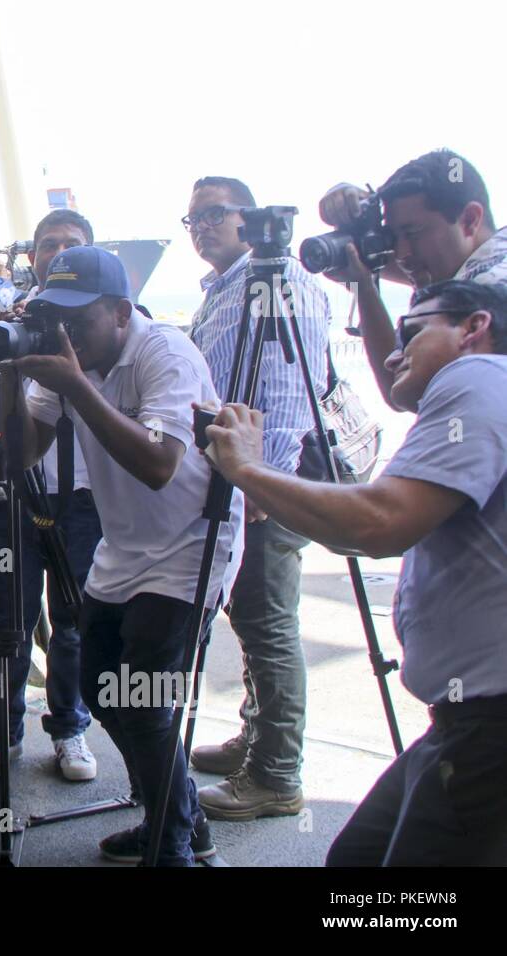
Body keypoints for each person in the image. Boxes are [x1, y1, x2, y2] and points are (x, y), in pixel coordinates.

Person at [202, 278, 507, 866]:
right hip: (461, 724)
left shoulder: (479, 376)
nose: (393, 354)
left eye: (411, 332)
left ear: (474, 327)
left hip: (488, 728)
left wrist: (246, 468)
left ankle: (273, 770)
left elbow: (378, 524)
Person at [6, 245, 245, 865]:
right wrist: (11, 376)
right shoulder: (72, 359)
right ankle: (179, 817)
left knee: (142, 693)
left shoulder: (163, 352)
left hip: (191, 542)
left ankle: (170, 846)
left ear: (118, 311)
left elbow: (158, 465)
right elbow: (21, 455)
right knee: (97, 681)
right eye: (54, 319)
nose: (66, 334)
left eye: (77, 321)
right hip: (126, 543)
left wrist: (74, 385)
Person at [181, 176, 331, 821]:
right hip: (243, 481)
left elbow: (291, 392)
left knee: (269, 625)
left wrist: (267, 486)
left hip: (264, 486)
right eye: (193, 219)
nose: (203, 227)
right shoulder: (228, 288)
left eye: (215, 214)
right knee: (249, 619)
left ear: (251, 218)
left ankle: (277, 773)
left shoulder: (276, 284)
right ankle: (256, 737)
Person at [0, 208, 100, 782]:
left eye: (71, 245)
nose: (57, 254)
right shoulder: (11, 308)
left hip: (82, 493)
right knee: (8, 616)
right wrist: (2, 339)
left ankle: (70, 730)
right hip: (15, 484)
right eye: (48, 245)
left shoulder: (100, 317)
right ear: (31, 255)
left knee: (72, 620)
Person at [318, 150, 507, 407]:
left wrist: (364, 288)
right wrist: (363, 233)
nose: (401, 252)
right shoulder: (488, 261)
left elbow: (402, 393)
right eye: (393, 237)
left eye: (414, 232)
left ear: (470, 220)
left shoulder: (484, 294)